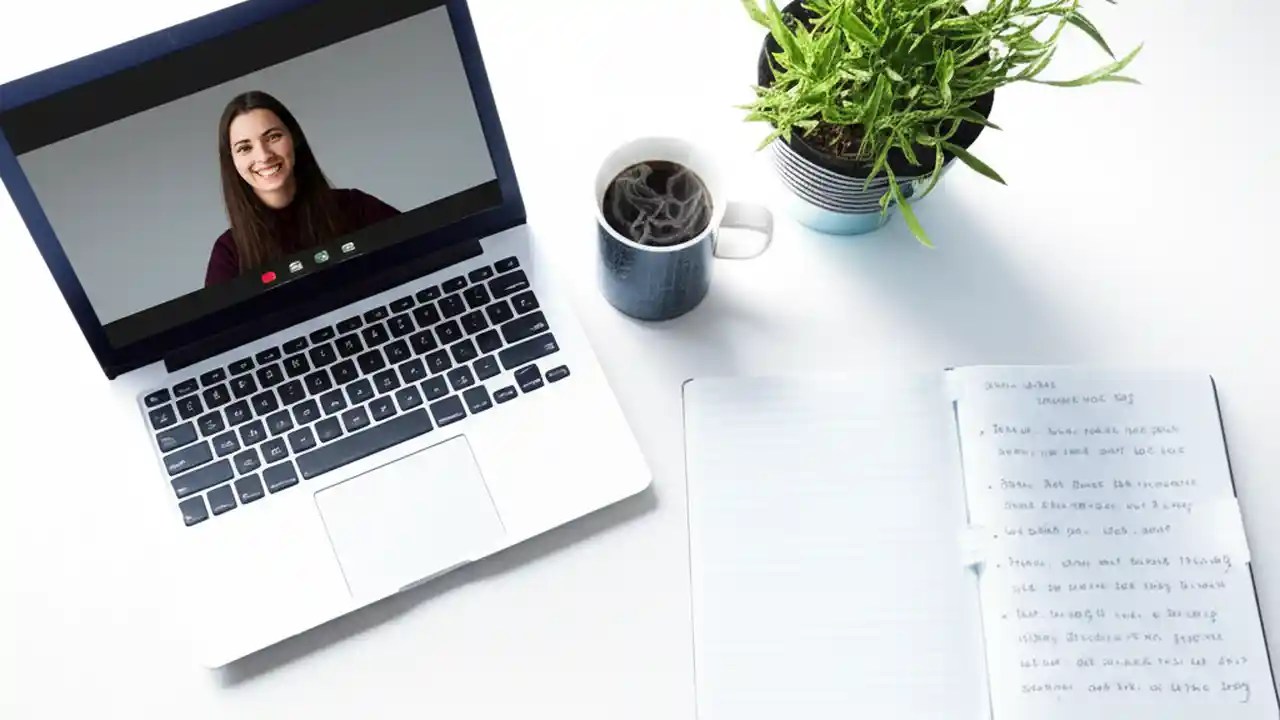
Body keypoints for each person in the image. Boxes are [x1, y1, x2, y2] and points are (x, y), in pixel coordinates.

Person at [204, 91, 401, 287]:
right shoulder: (228, 253)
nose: (264, 156)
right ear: (232, 161)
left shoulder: (356, 206)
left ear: (294, 138)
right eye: (245, 148)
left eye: (273, 137)